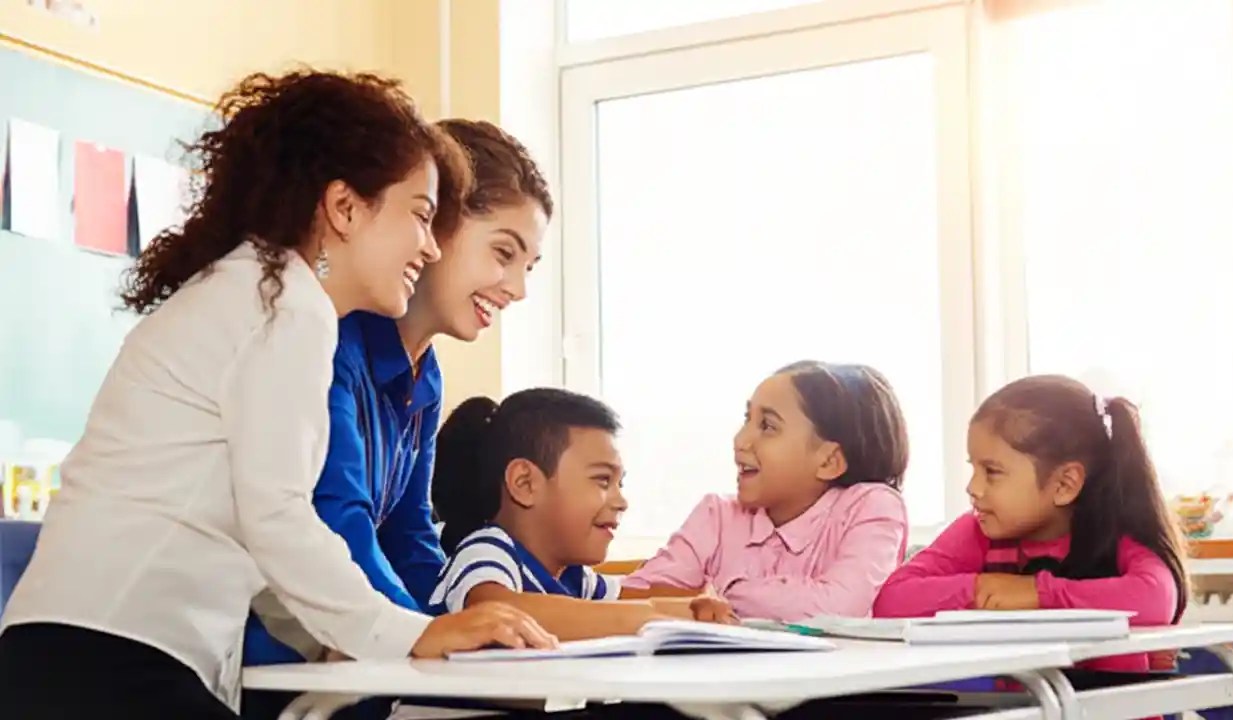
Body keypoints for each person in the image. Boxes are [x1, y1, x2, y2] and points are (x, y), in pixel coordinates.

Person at [0, 70, 552, 719]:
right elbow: (280, 518)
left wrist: (352, 642)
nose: (428, 245)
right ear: (344, 209)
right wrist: (411, 632)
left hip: (81, 653)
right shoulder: (287, 310)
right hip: (107, 661)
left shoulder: (261, 292)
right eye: (422, 216)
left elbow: (257, 536)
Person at [241, 119, 555, 719]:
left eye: (529, 267)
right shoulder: (330, 339)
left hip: (356, 648)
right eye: (503, 252)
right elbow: (342, 524)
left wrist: (463, 625)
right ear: (435, 225)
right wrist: (427, 635)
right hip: (276, 655)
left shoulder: (426, 376)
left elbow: (409, 531)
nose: (516, 287)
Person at [873, 374, 1188, 672]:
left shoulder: (1114, 535)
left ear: (1064, 484)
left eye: (992, 472)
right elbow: (892, 601)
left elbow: (1156, 598)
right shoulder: (977, 531)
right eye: (974, 469)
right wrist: (982, 588)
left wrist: (1038, 593)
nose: (973, 488)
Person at [429, 389, 735, 641]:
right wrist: (652, 615)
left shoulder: (572, 577)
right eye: (603, 480)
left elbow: (633, 595)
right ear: (525, 483)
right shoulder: (485, 551)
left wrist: (697, 605)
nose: (621, 501)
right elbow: (495, 610)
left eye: (620, 483)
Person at [622, 361, 910, 621]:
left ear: (828, 461)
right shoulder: (717, 515)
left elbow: (839, 608)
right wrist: (694, 601)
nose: (740, 440)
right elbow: (636, 595)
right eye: (747, 419)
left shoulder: (873, 507)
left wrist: (720, 594)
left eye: (767, 426)